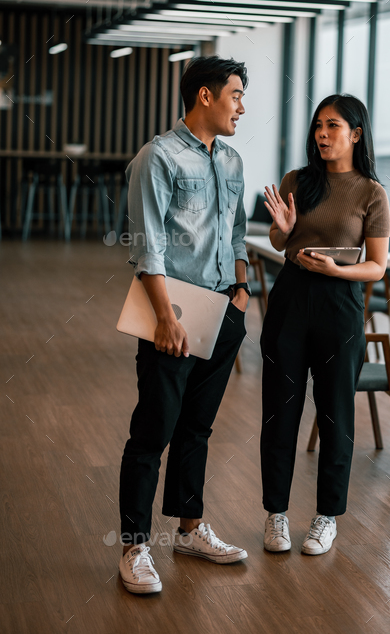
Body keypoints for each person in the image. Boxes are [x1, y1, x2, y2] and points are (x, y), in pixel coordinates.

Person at [118, 55, 252, 594]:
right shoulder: (158, 157)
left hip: (224, 308)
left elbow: (237, 232)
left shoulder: (233, 161)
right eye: (236, 95)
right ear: (205, 95)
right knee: (154, 429)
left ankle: (190, 529)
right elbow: (146, 244)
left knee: (197, 427)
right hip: (174, 311)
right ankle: (134, 547)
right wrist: (165, 315)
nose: (241, 106)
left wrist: (242, 291)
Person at [260, 93, 390, 556]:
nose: (322, 134)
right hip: (291, 299)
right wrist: (283, 228)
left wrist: (337, 271)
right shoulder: (297, 180)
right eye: (318, 125)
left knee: (336, 413)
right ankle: (276, 514)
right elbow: (279, 242)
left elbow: (377, 266)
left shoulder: (371, 193)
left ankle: (326, 517)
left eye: (332, 125)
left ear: (356, 134)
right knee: (280, 411)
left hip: (340, 305)